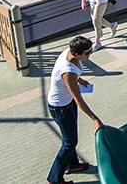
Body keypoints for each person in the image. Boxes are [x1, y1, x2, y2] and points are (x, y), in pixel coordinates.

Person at [45, 36, 104, 184]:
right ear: (77, 54)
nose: (90, 55)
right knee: (69, 142)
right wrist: (95, 120)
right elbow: (79, 100)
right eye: (87, 53)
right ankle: (54, 179)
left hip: (66, 102)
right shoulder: (68, 71)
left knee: (71, 139)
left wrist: (80, 80)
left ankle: (73, 164)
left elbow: (74, 77)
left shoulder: (70, 53)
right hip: (60, 108)